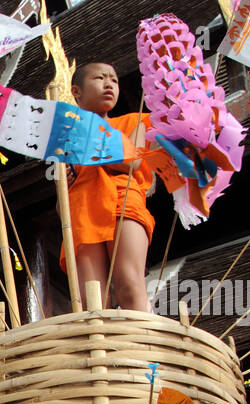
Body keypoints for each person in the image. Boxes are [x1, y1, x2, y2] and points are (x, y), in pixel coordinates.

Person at [62, 63, 155, 313]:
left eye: (113, 80)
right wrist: (63, 183)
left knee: (129, 284)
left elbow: (132, 162)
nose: (109, 84)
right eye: (99, 78)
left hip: (123, 200)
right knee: (89, 300)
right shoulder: (65, 138)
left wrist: (89, 144)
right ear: (76, 91)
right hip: (82, 210)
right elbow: (62, 205)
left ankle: (141, 347)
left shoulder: (134, 122)